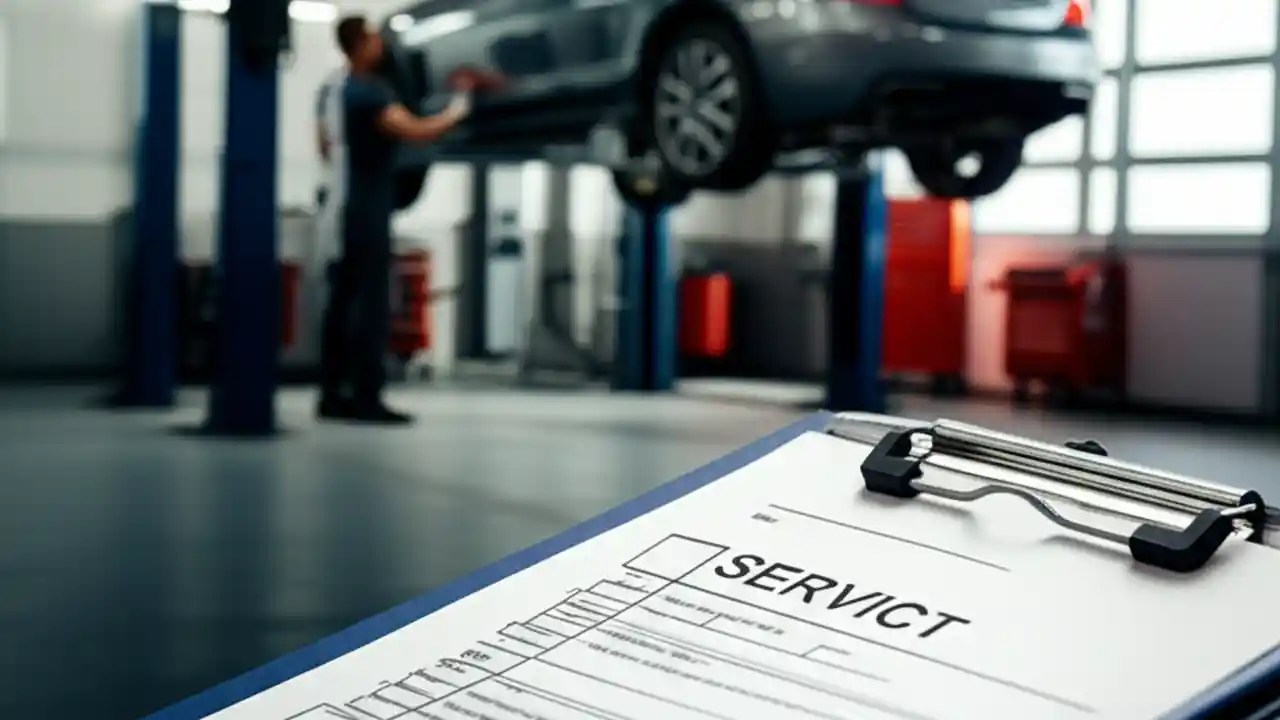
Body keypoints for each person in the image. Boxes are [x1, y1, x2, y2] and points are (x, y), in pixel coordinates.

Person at [319, 15, 472, 424]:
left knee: (341, 300)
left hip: (338, 201)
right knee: (371, 302)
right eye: (374, 39)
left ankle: (332, 394)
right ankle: (368, 398)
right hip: (367, 203)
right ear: (362, 43)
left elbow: (322, 144)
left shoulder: (332, 88)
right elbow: (416, 130)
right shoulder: (368, 92)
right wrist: (458, 110)